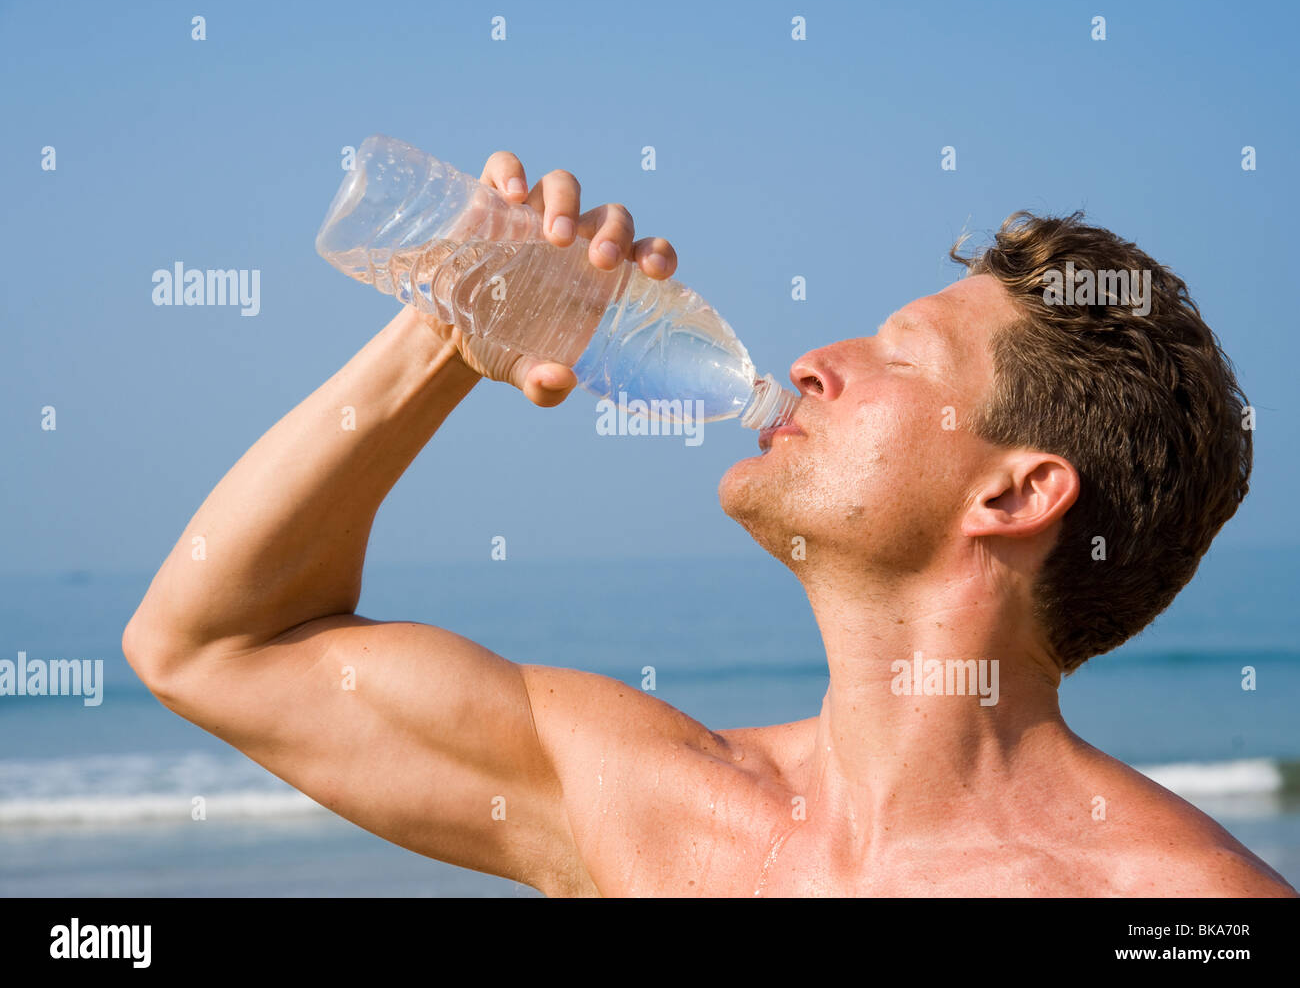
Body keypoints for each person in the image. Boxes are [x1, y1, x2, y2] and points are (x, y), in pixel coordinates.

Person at [124, 151, 1297, 897]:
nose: (812, 362)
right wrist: (455, 323)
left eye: (895, 354)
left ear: (1015, 493)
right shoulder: (651, 801)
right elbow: (211, 644)